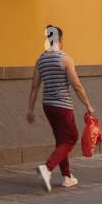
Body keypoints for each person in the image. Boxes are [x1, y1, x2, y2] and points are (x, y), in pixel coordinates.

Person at [26, 24, 93, 192]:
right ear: (60, 39)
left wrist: (30, 109)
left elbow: (34, 87)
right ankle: (47, 169)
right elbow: (76, 85)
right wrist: (88, 105)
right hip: (62, 106)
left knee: (61, 141)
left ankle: (67, 176)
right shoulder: (65, 58)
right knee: (71, 138)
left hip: (47, 106)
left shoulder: (40, 59)